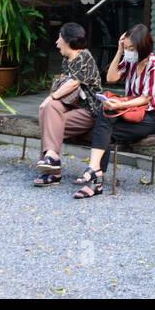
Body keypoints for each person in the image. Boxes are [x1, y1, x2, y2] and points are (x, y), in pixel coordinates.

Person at [73, 24, 155, 199]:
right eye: (126, 48)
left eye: (131, 48)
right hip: (131, 109)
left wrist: (117, 105)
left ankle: (95, 177)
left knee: (104, 128)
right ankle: (95, 171)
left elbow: (145, 99)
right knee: (105, 120)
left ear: (143, 47)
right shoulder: (130, 61)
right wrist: (119, 51)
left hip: (150, 117)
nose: (128, 52)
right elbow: (111, 78)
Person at [33, 22, 103, 187]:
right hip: (71, 107)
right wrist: (50, 101)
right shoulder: (66, 60)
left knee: (50, 119)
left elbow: (73, 83)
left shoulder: (84, 56)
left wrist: (51, 97)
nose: (56, 42)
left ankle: (52, 171)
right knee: (49, 111)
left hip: (88, 112)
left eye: (59, 37)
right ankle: (52, 157)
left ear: (68, 40)